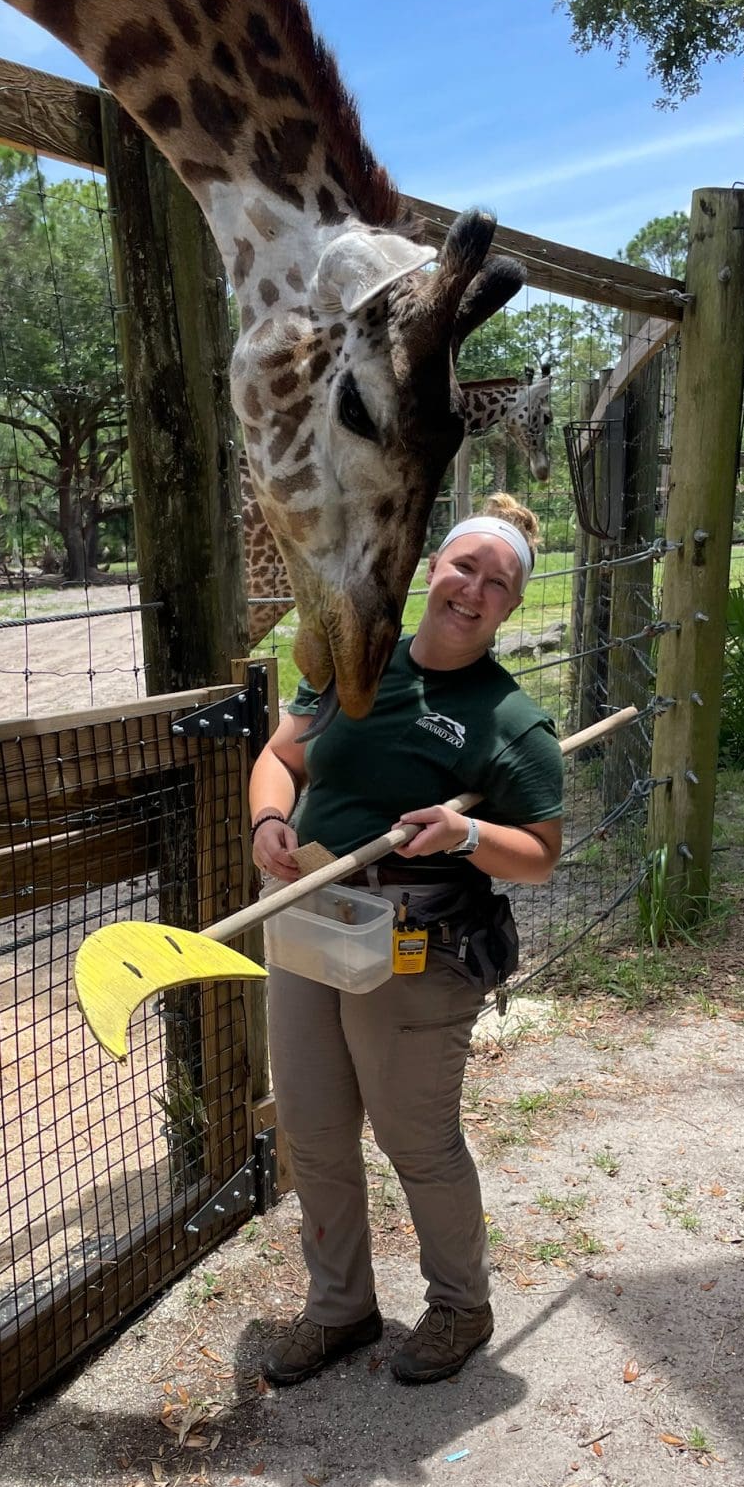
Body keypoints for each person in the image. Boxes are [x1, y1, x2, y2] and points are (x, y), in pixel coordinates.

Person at [249, 495, 565, 1387]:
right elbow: (284, 754)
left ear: (508, 608)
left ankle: (460, 1306)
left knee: (414, 1138)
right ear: (431, 569)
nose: (473, 588)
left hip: (413, 941)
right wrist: (270, 818)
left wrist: (464, 835)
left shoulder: (510, 724)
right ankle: (338, 1310)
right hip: (310, 917)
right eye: (464, 566)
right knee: (312, 1130)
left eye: (496, 583)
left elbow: (539, 854)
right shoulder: (356, 661)